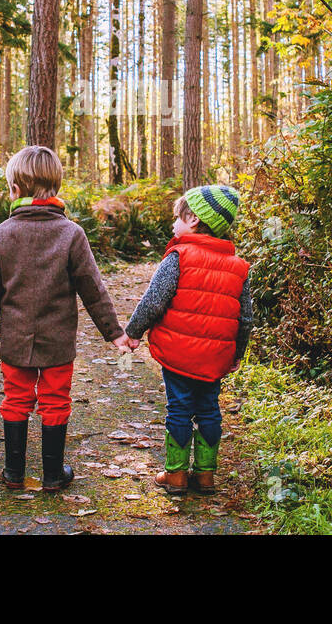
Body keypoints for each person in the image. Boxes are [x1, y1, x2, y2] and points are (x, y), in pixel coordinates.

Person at [0, 145, 131, 491]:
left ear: (15, 190)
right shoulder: (71, 233)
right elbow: (93, 289)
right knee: (56, 401)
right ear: (56, 189)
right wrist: (114, 333)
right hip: (58, 344)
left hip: (15, 342)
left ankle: (14, 473)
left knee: (16, 399)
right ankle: (53, 475)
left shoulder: (1, 235)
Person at [124, 185, 252, 495]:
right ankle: (205, 475)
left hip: (178, 354)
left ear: (192, 219)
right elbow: (245, 319)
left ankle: (176, 475)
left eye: (177, 218)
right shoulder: (239, 267)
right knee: (209, 408)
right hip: (215, 357)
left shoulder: (178, 256)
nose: (173, 224)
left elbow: (154, 300)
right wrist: (237, 353)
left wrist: (132, 332)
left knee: (179, 409)